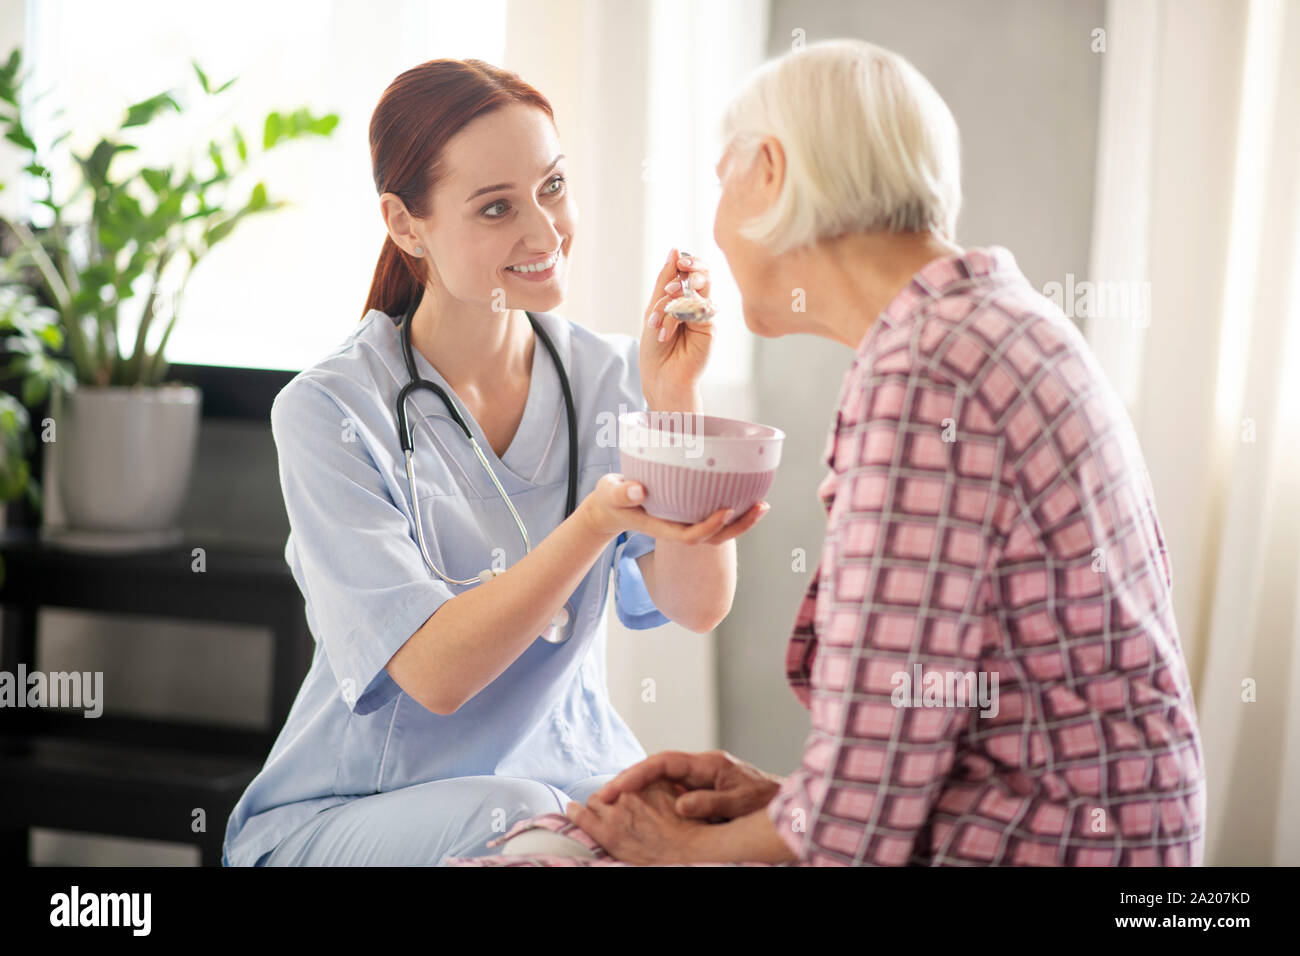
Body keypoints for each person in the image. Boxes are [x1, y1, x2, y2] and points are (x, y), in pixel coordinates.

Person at [461, 38, 1207, 867]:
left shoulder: (929, 372)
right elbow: (922, 730)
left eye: (722, 179)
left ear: (772, 172)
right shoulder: (996, 322)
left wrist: (687, 850)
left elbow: (867, 800)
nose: (713, 218)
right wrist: (785, 803)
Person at [221, 58, 767, 867]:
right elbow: (437, 677)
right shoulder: (329, 411)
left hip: (567, 786)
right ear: (407, 226)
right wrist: (594, 523)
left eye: (552, 187)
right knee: (531, 828)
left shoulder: (613, 377)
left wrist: (673, 403)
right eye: (496, 208)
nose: (545, 234)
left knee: (718, 835)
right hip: (361, 811)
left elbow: (696, 603)